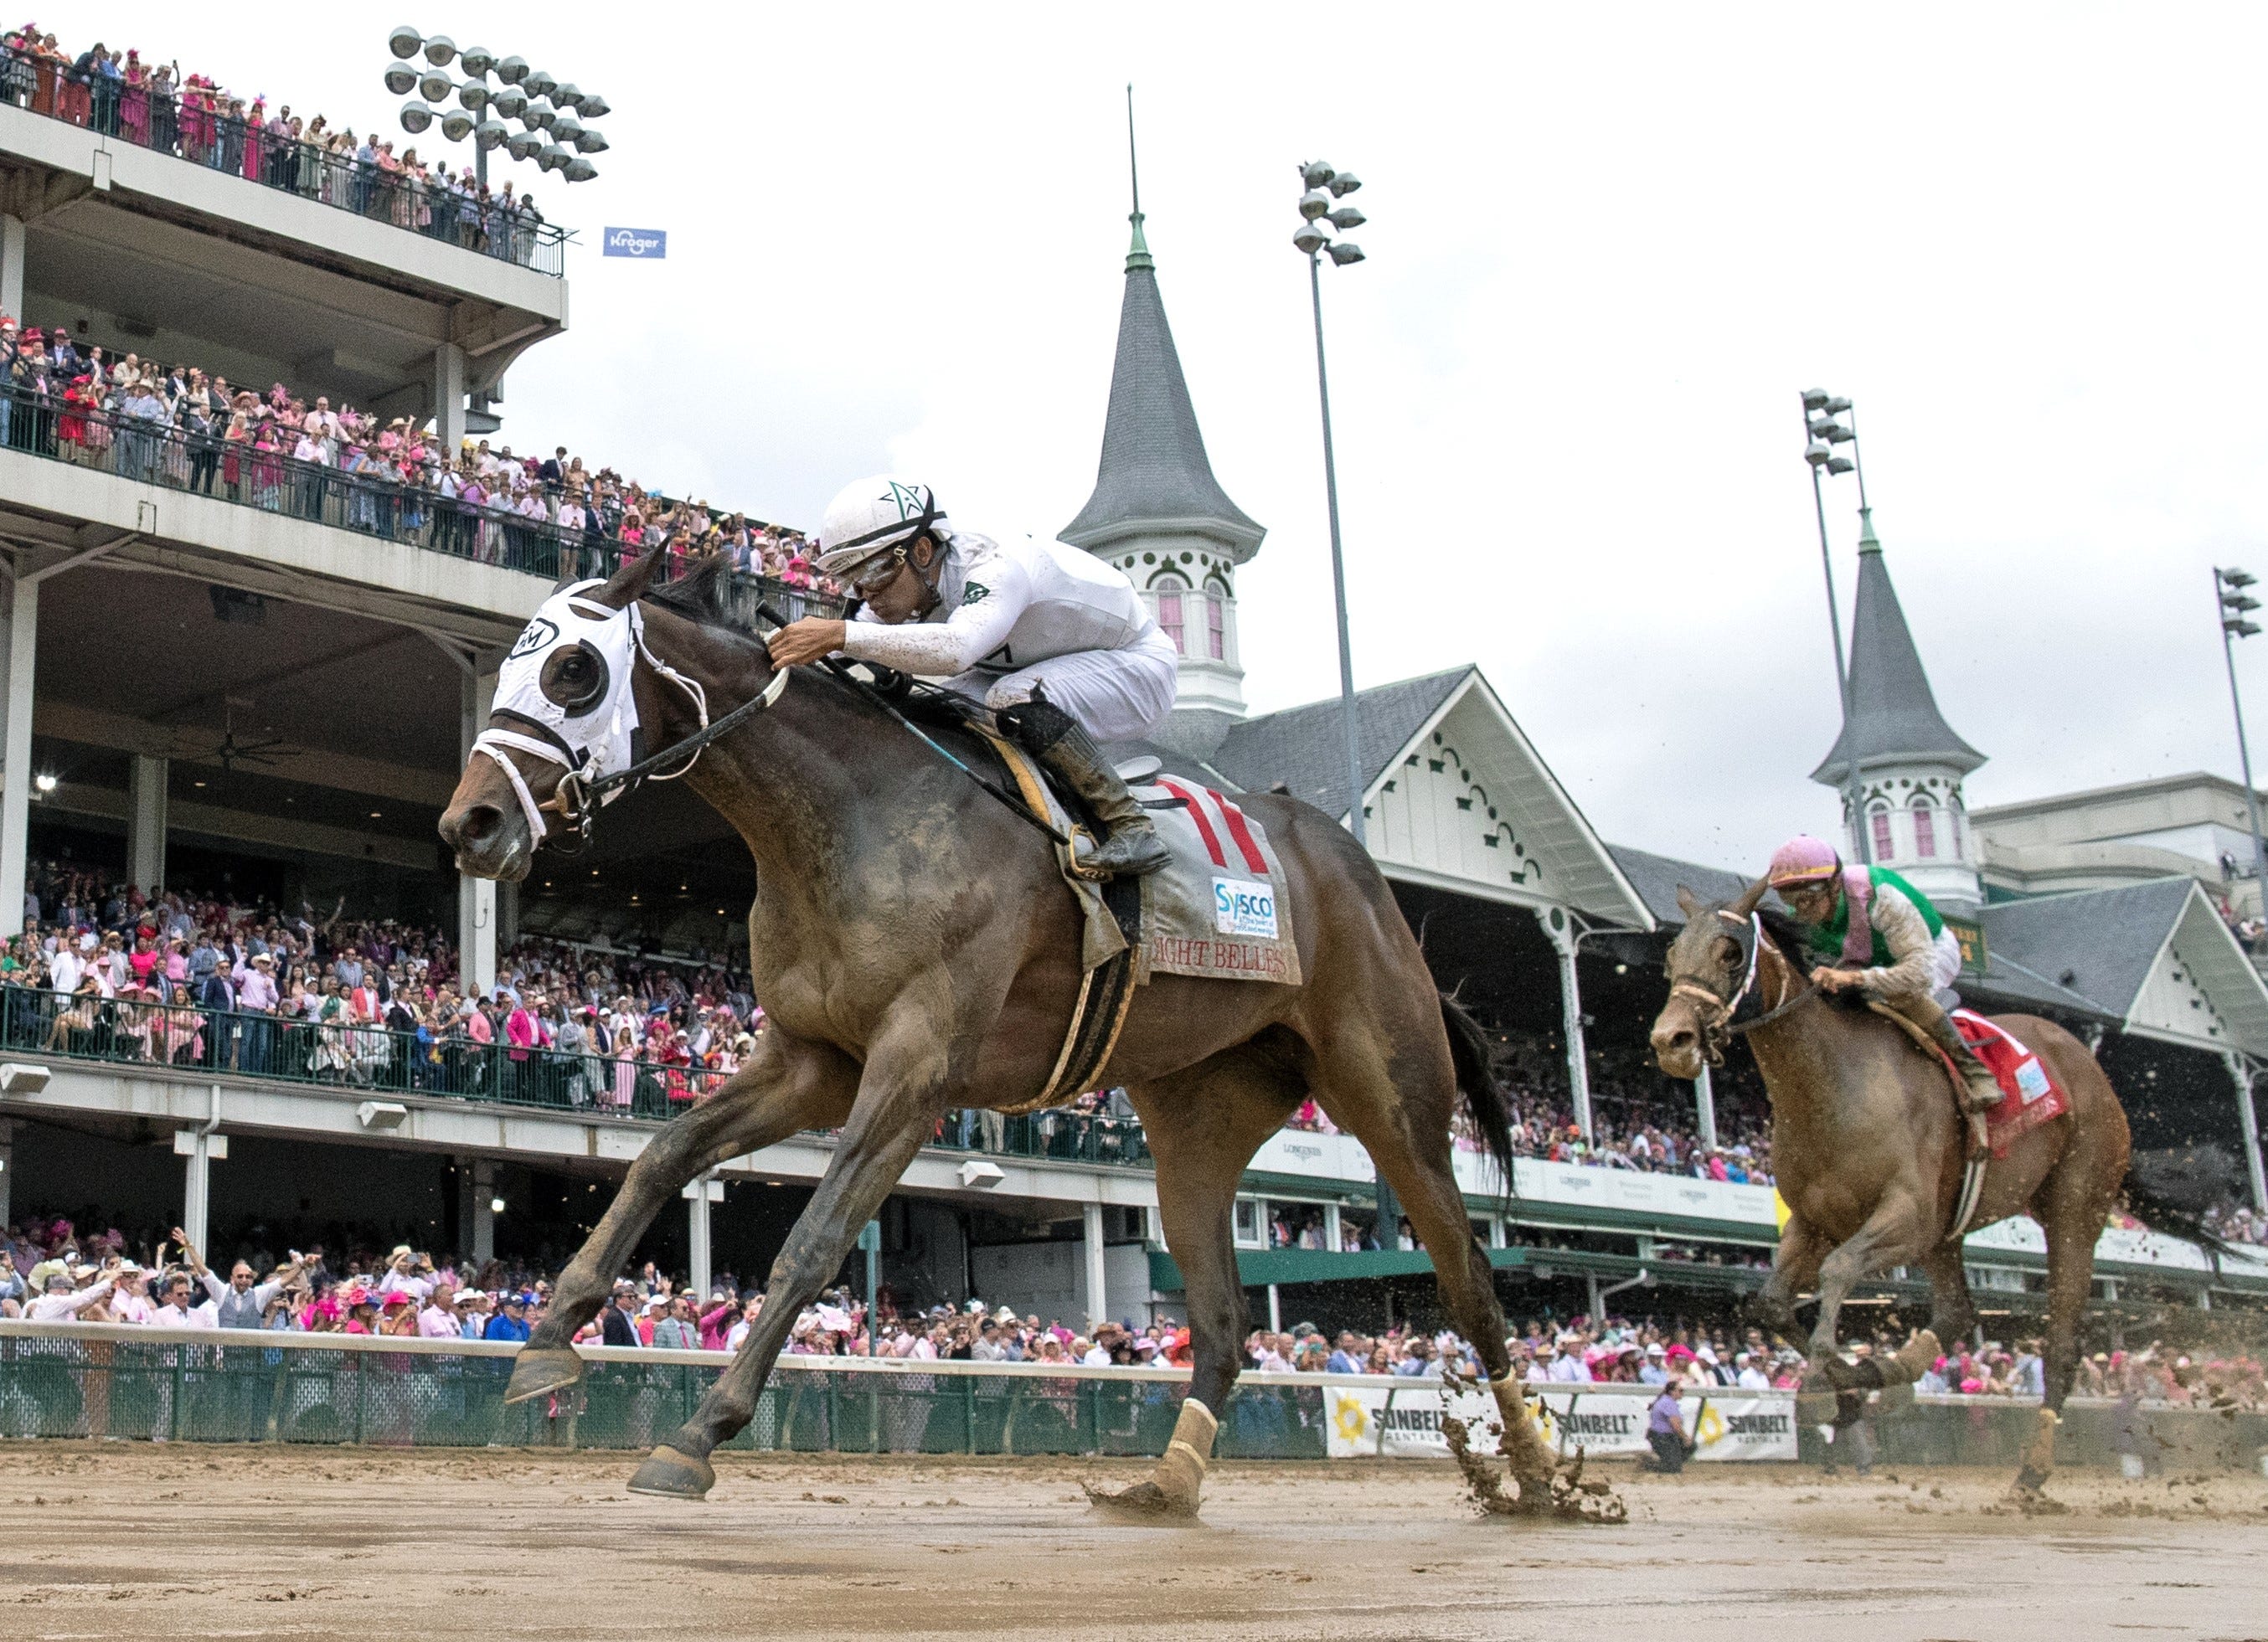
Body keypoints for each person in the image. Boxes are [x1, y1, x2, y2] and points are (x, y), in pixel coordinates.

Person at [767, 476, 1178, 878]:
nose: (865, 594)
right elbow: (840, 651)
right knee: (944, 704)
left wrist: (840, 633)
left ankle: (1129, 824)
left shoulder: (995, 566)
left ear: (922, 550)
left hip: (1135, 664)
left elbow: (956, 648)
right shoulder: (905, 584)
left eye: (872, 574)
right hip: (1042, 665)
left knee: (1010, 697)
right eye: (850, 582)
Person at [1766, 835, 2002, 1149]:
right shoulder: (1807, 911)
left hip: (1927, 954)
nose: (1801, 912)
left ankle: (1973, 1071)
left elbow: (1916, 973)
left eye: (1807, 900)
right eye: (1790, 901)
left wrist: (1853, 980)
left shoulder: (1882, 898)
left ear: (1835, 884)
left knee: (1898, 994)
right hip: (1867, 959)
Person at [1642, 1374, 1693, 1473]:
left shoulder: (1665, 1400)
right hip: (1662, 1438)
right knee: (1673, 1468)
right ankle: (1654, 1465)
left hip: (1658, 1436)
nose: (1682, 1393)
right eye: (1680, 1390)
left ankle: (1671, 1462)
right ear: (1672, 1392)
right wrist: (1685, 1438)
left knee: (1684, 1451)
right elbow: (1676, 1426)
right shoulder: (1669, 1403)